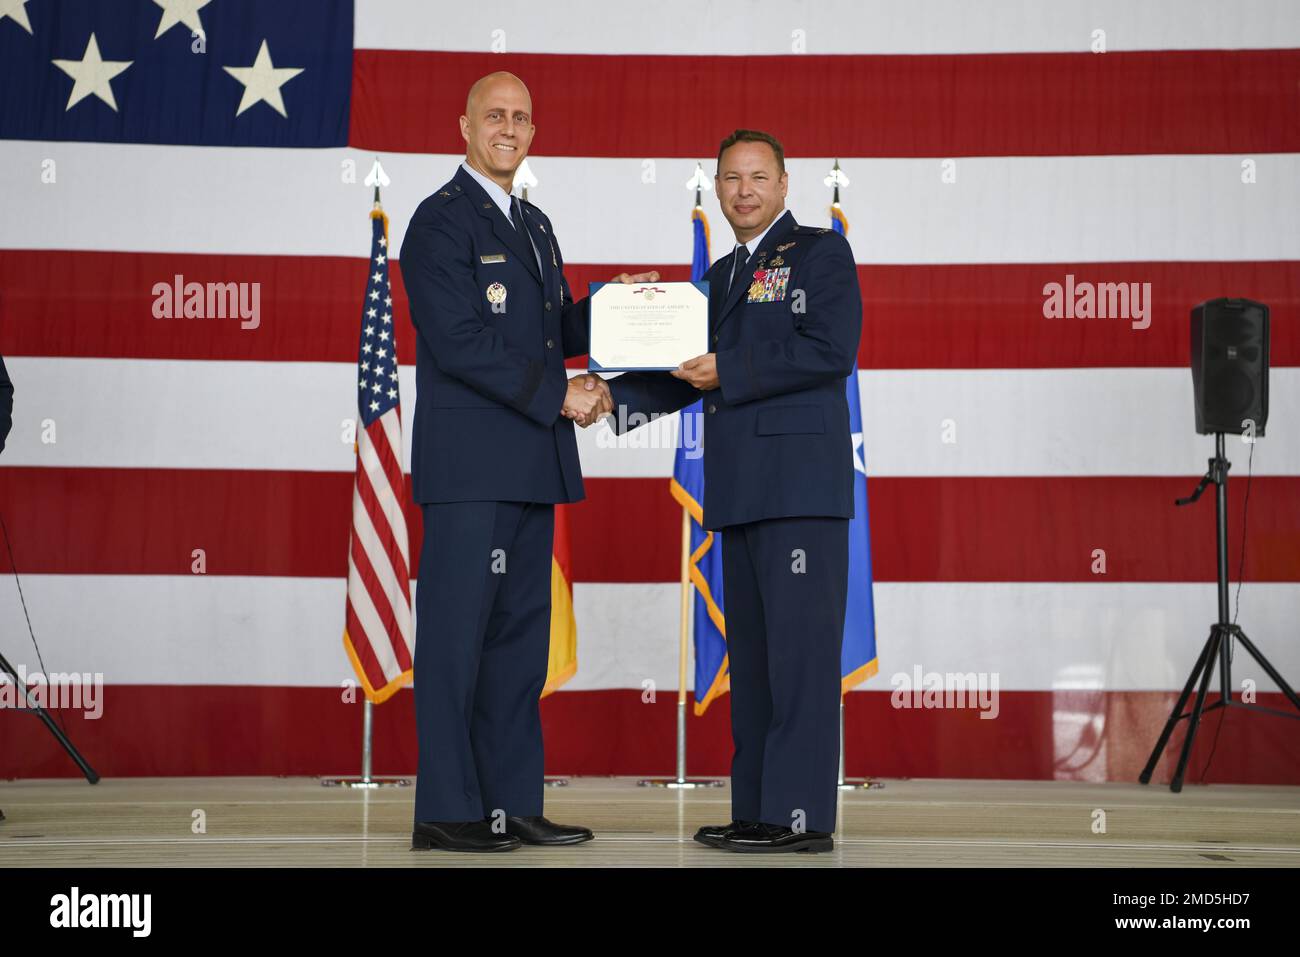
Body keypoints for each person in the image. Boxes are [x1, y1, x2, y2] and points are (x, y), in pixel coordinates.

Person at [399, 71, 652, 852]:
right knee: (454, 643)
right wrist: (561, 399)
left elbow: (549, 327)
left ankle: (510, 804)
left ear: (533, 133)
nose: (508, 128)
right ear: (465, 126)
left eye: (521, 118)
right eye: (495, 115)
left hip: (530, 467)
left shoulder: (534, 224)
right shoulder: (437, 224)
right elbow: (463, 342)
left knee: (516, 647)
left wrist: (619, 309)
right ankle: (447, 808)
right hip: (471, 469)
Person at [594, 129, 863, 852]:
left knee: (802, 661)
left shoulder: (820, 252)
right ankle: (759, 810)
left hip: (801, 491)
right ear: (716, 187)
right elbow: (683, 368)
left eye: (757, 177)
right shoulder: (719, 272)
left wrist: (732, 369)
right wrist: (604, 397)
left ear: (783, 183)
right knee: (758, 661)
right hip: (742, 489)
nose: (743, 190)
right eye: (730, 178)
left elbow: (830, 348)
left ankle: (800, 820)